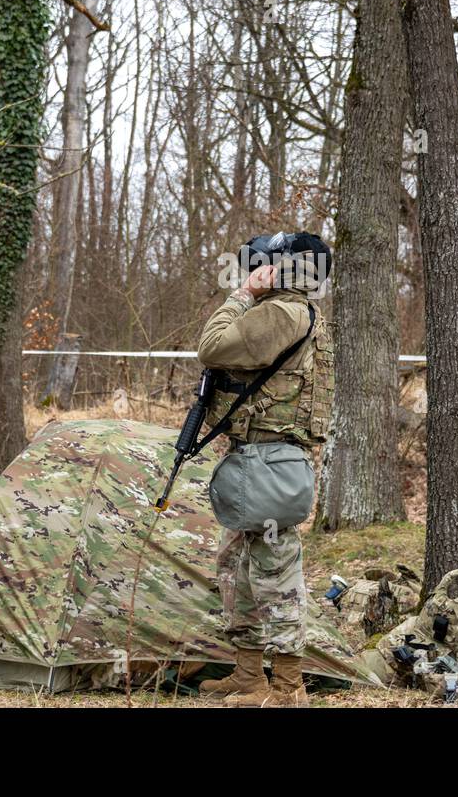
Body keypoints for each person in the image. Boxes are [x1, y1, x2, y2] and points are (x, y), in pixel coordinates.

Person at [193, 232, 334, 707]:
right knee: (238, 567)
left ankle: (289, 687)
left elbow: (213, 347)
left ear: (279, 268)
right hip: (257, 458)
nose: (251, 272)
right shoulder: (288, 312)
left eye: (260, 266)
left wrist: (241, 296)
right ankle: (250, 675)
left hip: (272, 460)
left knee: (274, 572)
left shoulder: (281, 313)